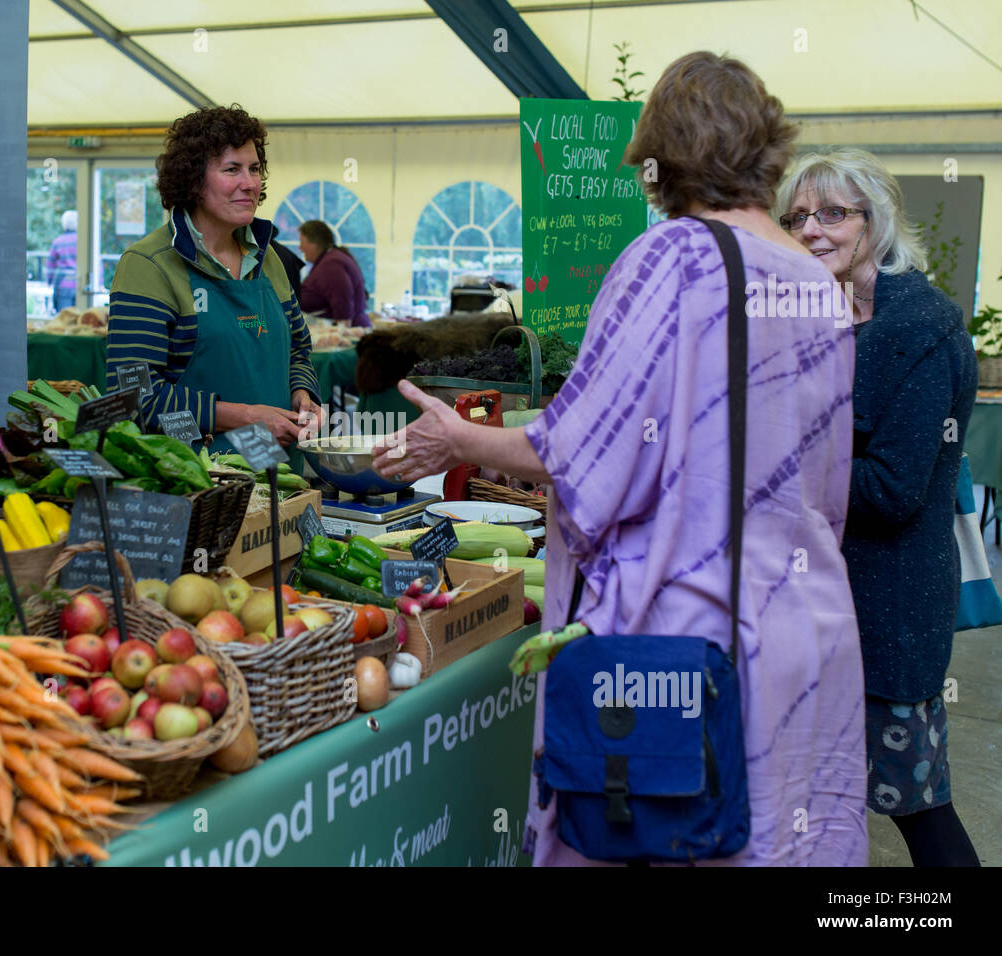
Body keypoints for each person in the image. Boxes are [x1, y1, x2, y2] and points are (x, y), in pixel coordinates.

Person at [372, 51, 868, 865]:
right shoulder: (816, 284)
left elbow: (581, 452)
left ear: (663, 158)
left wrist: (455, 438)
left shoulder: (670, 259)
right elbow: (826, 486)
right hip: (803, 632)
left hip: (680, 638)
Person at [778, 149, 980, 867]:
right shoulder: (823, 317)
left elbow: (894, 493)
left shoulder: (920, 329)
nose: (811, 230)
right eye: (797, 216)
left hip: (890, 610)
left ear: (877, 222)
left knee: (918, 805)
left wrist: (778, 464)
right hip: (823, 603)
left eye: (832, 213)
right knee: (822, 799)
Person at [106, 105, 321, 453]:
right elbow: (132, 398)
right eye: (231, 169)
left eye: (254, 169)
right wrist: (244, 416)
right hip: (199, 482)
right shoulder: (149, 265)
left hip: (278, 475)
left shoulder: (268, 260)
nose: (249, 184)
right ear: (192, 180)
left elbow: (298, 349)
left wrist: (303, 393)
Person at [297, 220, 369, 327]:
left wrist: (338, 338)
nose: (300, 248)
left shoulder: (331, 265)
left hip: (346, 334)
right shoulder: (329, 260)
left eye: (302, 242)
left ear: (314, 243)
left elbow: (343, 306)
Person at [46, 209, 78, 312]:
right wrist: (99, 282)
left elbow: (50, 265)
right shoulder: (84, 240)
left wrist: (49, 281)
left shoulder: (58, 242)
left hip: (63, 286)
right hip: (81, 285)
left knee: (64, 319)